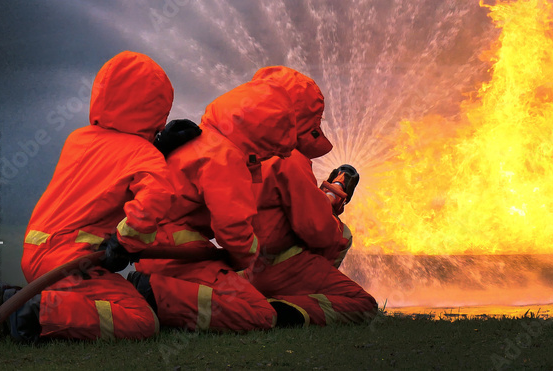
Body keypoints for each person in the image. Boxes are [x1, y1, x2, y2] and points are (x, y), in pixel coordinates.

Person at [15, 51, 176, 342]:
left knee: (94, 298)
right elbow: (155, 198)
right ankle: (38, 314)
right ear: (158, 112)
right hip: (74, 263)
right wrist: (124, 243)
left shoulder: (77, 138)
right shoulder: (144, 155)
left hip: (34, 255)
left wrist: (154, 147)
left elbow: (107, 170)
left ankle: (14, 299)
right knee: (143, 321)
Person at [129, 77, 297, 332]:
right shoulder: (225, 158)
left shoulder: (205, 141)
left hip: (160, 250)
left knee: (240, 298)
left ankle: (156, 294)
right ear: (265, 134)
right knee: (260, 314)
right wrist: (245, 257)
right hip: (175, 253)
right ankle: (152, 295)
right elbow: (233, 231)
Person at [249, 66, 377, 325]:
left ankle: (264, 300)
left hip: (250, 266)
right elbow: (316, 231)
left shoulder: (242, 152)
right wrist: (328, 206)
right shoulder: (289, 159)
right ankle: (285, 310)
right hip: (285, 265)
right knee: (363, 304)